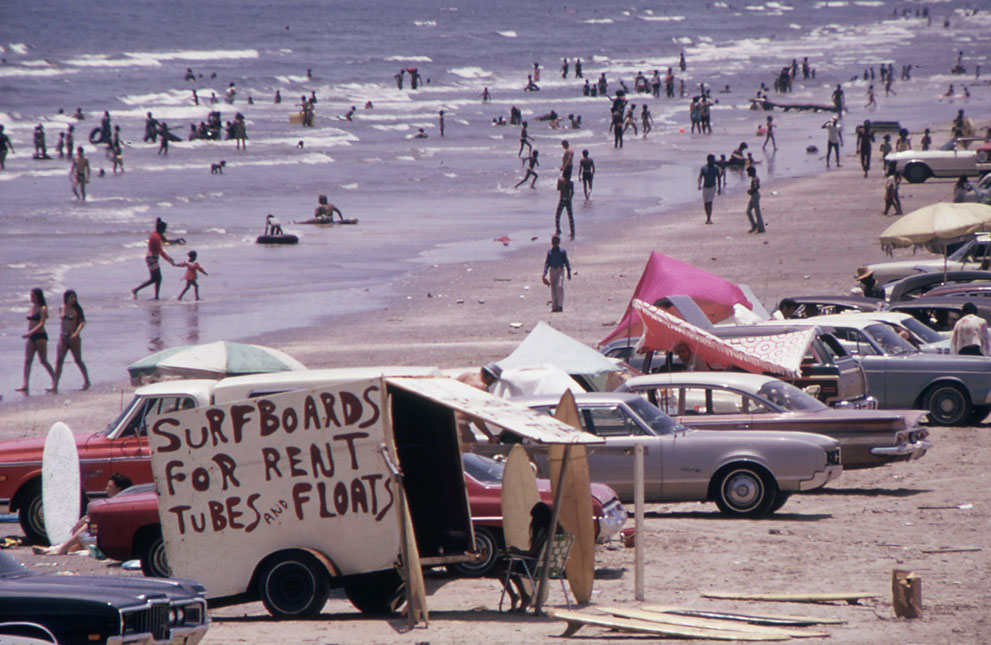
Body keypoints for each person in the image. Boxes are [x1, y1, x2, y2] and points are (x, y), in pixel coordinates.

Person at [34, 474, 132, 555]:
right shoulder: (115, 501)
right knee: (82, 536)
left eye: (110, 487)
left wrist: (86, 520)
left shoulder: (121, 503)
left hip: (111, 538)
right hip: (103, 535)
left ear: (119, 489)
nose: (106, 489)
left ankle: (61, 549)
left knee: (88, 525)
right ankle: (54, 549)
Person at [16, 288, 57, 393]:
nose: (31, 297)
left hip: (40, 336)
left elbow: (41, 323)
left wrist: (30, 333)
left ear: (38, 296)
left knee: (43, 360)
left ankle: (55, 380)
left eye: (33, 296)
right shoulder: (31, 308)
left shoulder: (43, 308)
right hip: (31, 337)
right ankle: (25, 384)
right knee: (28, 360)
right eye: (30, 295)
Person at [51, 290, 90, 392]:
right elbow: (62, 319)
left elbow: (82, 323)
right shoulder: (62, 308)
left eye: (74, 297)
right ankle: (54, 384)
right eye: (71, 297)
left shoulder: (77, 309)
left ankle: (86, 381)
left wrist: (76, 333)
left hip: (73, 337)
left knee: (78, 360)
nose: (73, 299)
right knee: (59, 361)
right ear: (66, 298)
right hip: (63, 336)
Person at [132, 218, 176, 300]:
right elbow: (160, 251)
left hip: (153, 257)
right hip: (151, 258)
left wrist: (175, 241)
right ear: (161, 228)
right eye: (164, 229)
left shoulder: (156, 234)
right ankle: (136, 290)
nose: (165, 230)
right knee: (155, 278)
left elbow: (164, 239)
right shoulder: (156, 237)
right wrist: (169, 260)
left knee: (158, 278)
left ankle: (156, 296)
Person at [542, 236, 571, 313]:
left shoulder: (562, 252)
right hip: (552, 270)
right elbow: (547, 263)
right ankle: (554, 306)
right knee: (553, 288)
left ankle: (560, 305)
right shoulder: (550, 252)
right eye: (553, 242)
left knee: (559, 286)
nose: (554, 244)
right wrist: (544, 274)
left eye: (556, 242)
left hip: (560, 270)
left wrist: (569, 272)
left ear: (558, 242)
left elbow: (566, 262)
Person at [697, 154, 720, 224]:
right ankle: (707, 217)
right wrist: (699, 185)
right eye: (712, 159)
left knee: (710, 203)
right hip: (705, 187)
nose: (714, 161)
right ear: (709, 160)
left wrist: (719, 188)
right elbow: (700, 177)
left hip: (712, 187)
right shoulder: (704, 168)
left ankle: (709, 218)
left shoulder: (716, 168)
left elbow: (718, 178)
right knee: (706, 203)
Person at [745, 166, 765, 233]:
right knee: (748, 211)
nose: (747, 174)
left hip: (755, 195)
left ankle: (761, 228)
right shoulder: (755, 178)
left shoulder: (755, 179)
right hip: (754, 195)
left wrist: (750, 191)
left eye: (748, 172)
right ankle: (754, 225)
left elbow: (755, 187)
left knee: (757, 212)